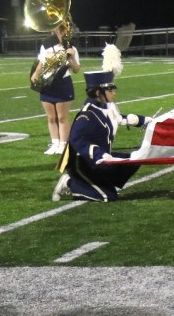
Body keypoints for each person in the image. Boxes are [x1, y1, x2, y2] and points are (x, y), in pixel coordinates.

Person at [52, 62, 150, 203]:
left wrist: (145, 121)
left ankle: (103, 183)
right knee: (107, 197)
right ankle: (69, 182)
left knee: (135, 159)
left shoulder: (106, 107)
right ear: (98, 93)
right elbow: (76, 139)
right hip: (82, 163)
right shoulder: (87, 114)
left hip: (100, 158)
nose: (114, 93)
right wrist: (99, 154)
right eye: (110, 90)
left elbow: (120, 119)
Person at [32, 22, 81, 155]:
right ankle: (55, 143)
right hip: (47, 84)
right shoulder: (46, 45)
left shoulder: (71, 47)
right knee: (51, 118)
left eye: (58, 30)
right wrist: (35, 74)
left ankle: (64, 145)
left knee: (62, 117)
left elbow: (76, 69)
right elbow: (41, 62)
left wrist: (71, 58)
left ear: (65, 32)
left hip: (62, 83)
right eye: (53, 30)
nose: (55, 33)